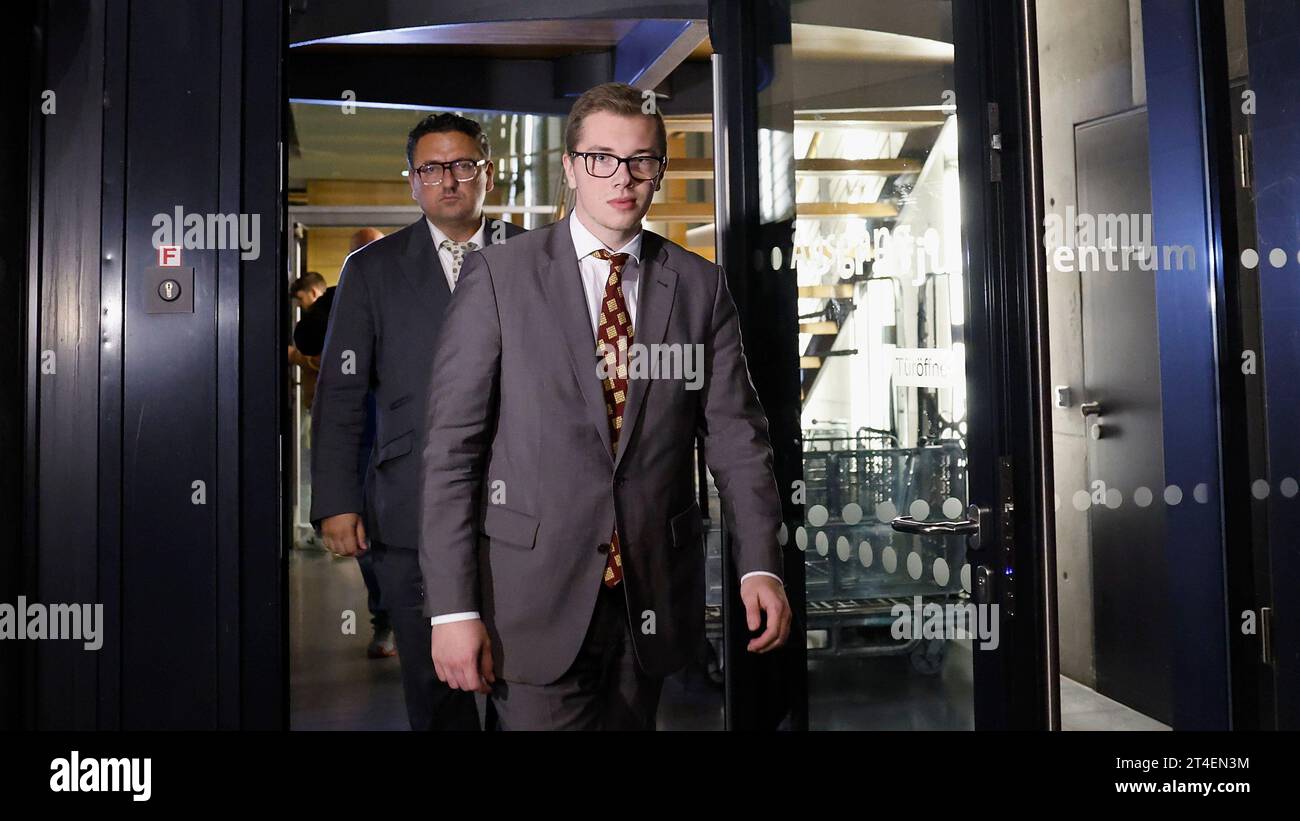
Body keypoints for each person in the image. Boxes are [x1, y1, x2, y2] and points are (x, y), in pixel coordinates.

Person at [420, 82, 791, 731]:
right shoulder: (500, 278)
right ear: (569, 167)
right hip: (530, 600)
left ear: (658, 171)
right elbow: (452, 452)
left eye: (641, 160)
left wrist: (760, 559)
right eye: (601, 158)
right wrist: (452, 609)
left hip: (649, 597)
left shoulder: (699, 287)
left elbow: (737, 436)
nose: (622, 177)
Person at [311, 114, 525, 730]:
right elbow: (342, 392)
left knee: (525, 680)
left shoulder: (534, 253)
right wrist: (337, 500)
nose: (448, 181)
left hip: (524, 504)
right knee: (437, 690)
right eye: (431, 169)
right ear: (412, 183)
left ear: (487, 173)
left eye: (462, 165)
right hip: (410, 506)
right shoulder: (373, 269)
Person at [292, 232, 397, 660]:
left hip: (409, 436)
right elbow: (306, 339)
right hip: (364, 439)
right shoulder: (339, 298)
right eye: (359, 255)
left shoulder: (408, 292)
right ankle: (387, 618)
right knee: (368, 541)